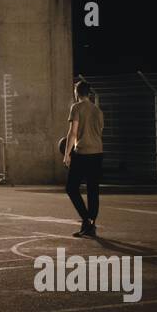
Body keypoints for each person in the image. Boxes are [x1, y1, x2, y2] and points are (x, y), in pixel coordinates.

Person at [63, 78, 104, 237]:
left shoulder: (76, 107)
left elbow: (73, 132)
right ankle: (91, 224)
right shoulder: (97, 110)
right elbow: (99, 132)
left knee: (71, 188)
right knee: (93, 189)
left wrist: (67, 153)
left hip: (82, 152)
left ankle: (86, 220)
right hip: (98, 152)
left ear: (77, 93)